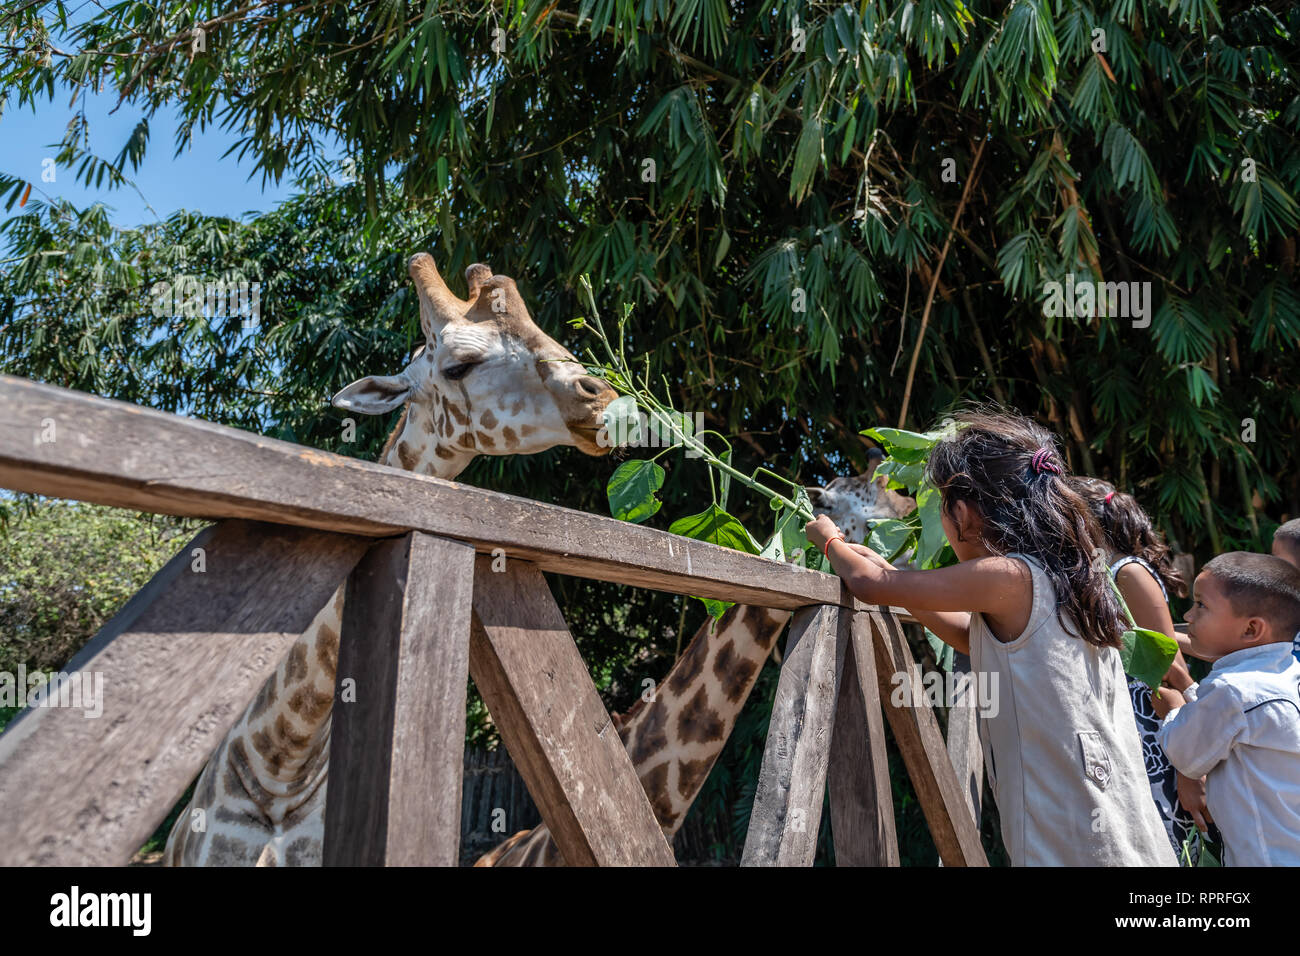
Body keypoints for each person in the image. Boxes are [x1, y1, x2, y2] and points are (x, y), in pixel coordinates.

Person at [806, 408, 1176, 866]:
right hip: (1110, 813)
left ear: (962, 514)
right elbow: (970, 638)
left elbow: (870, 586)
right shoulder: (1067, 575)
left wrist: (829, 540)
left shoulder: (1007, 576)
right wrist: (895, 578)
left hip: (1070, 826)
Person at [1072, 477, 1212, 864]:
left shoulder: (1127, 574)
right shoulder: (1107, 573)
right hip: (1140, 734)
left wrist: (1188, 770)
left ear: (1085, 521)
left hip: (1160, 736)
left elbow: (1170, 669)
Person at [1152, 552, 1300, 866]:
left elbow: (1185, 753)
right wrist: (1188, 684)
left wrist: (1174, 708)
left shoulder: (1231, 689)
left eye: (1201, 605)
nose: (1188, 616)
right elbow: (1231, 719)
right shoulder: (1285, 673)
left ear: (1251, 630)